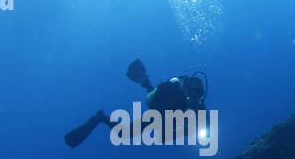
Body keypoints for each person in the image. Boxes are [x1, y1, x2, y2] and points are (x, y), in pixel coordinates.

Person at [64, 59, 208, 147]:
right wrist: (183, 131)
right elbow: (156, 107)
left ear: (202, 94)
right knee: (123, 133)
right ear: (187, 89)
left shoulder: (198, 106)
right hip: (156, 113)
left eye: (198, 94)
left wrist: (192, 131)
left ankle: (145, 82)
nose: (194, 97)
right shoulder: (173, 89)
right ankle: (100, 117)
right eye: (192, 92)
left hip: (166, 118)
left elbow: (206, 124)